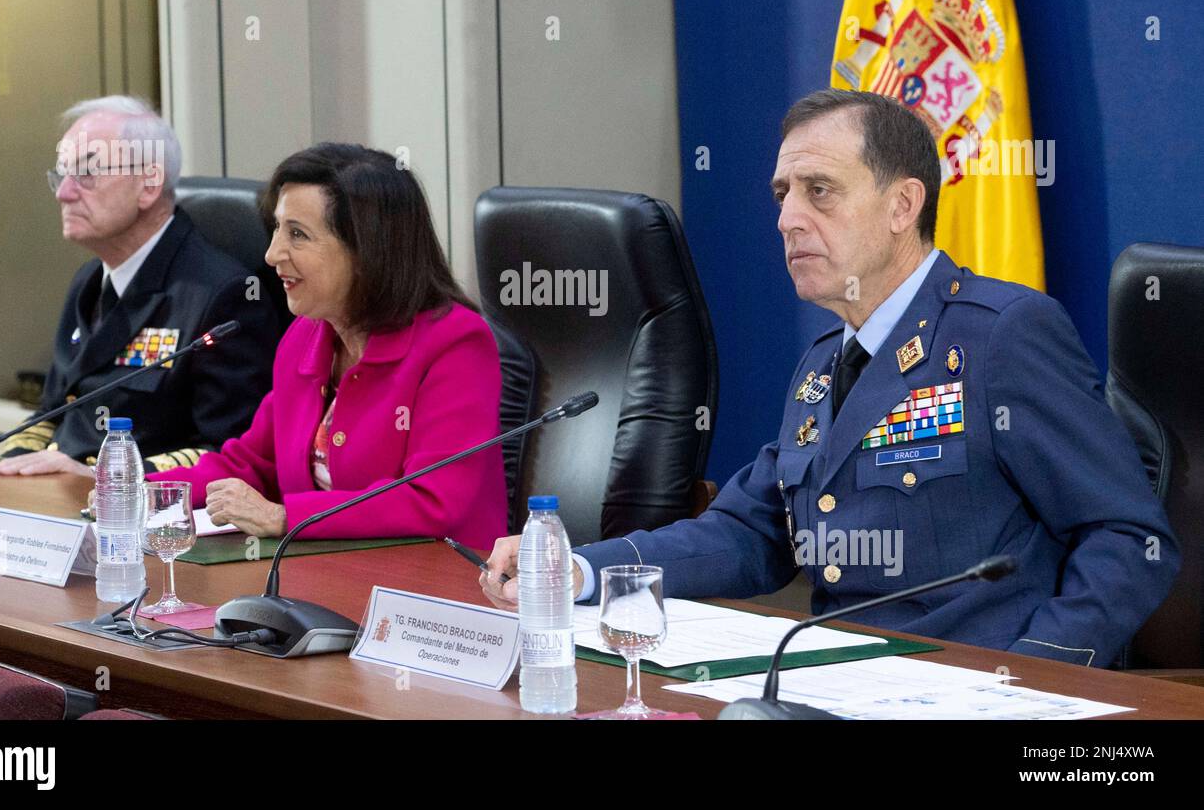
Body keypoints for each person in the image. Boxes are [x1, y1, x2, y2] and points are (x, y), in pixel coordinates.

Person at [481, 88, 1180, 668]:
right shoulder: (822, 363)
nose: (788, 219)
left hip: (978, 688)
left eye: (820, 192)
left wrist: (1033, 675)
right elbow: (747, 533)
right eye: (782, 194)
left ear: (903, 206)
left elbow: (1127, 537)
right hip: (839, 682)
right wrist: (580, 572)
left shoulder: (1003, 335)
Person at [148, 143, 507, 547]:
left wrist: (286, 517)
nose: (271, 254)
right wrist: (139, 491)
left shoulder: (456, 343)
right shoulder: (306, 335)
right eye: (276, 230)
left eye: (297, 234)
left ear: (367, 250)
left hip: (433, 591)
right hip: (325, 575)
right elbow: (251, 463)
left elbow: (431, 500)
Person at [0, 96, 280, 476]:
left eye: (86, 174)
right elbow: (54, 411)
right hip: (61, 500)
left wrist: (101, 476)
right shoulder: (89, 280)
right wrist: (5, 458)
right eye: (61, 174)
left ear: (149, 185)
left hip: (145, 517)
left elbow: (232, 452)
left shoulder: (223, 295)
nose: (63, 193)